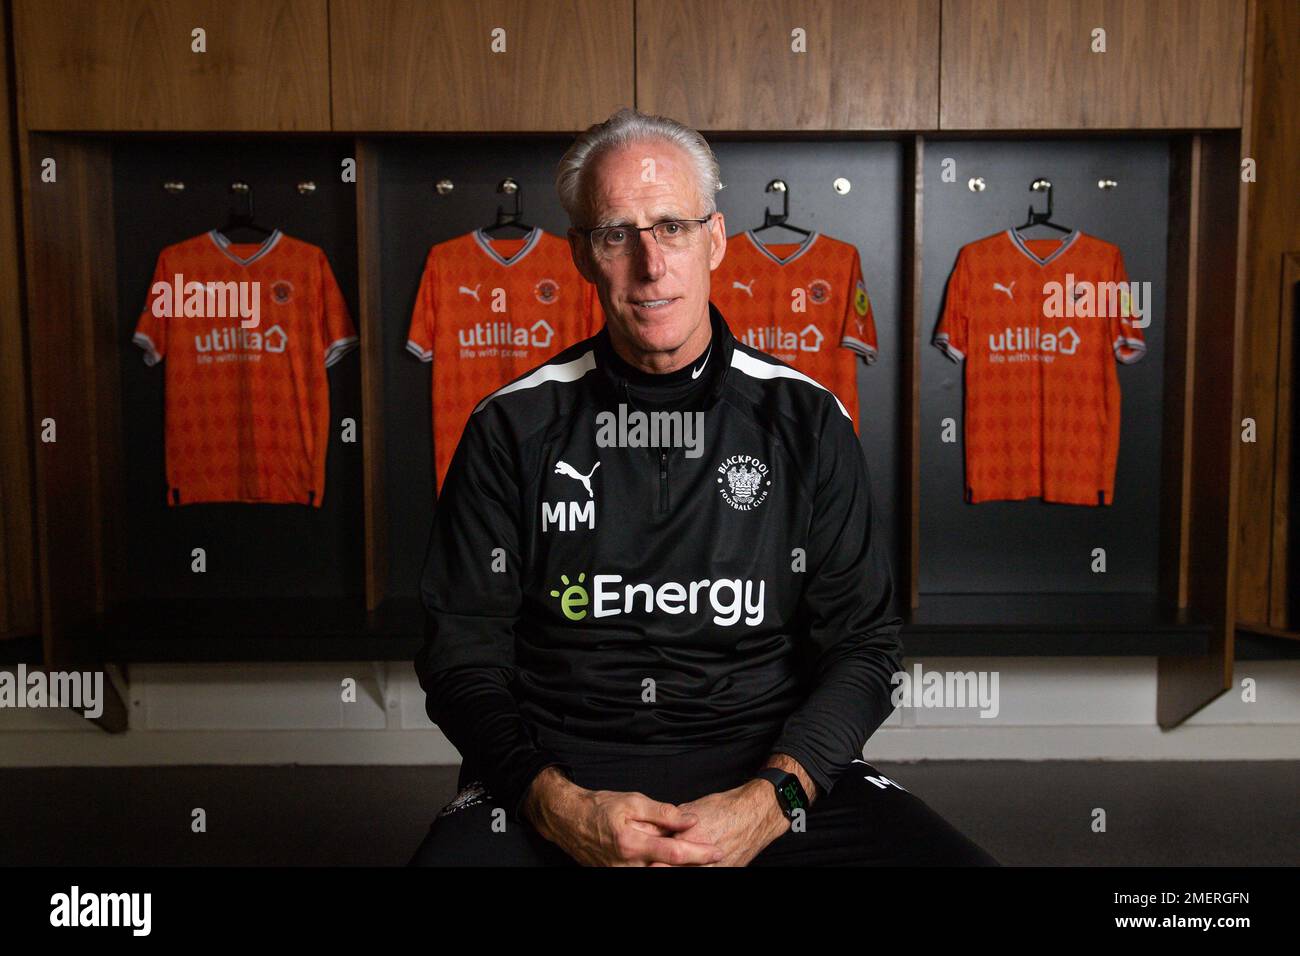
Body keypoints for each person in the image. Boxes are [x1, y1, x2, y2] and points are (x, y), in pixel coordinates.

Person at [409, 107, 997, 867]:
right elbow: (460, 657)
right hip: (561, 772)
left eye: (674, 228)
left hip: (765, 767)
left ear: (716, 239)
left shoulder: (807, 419)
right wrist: (559, 806)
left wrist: (770, 802)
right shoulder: (510, 426)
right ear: (582, 255)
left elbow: (864, 646)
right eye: (618, 234)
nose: (651, 266)